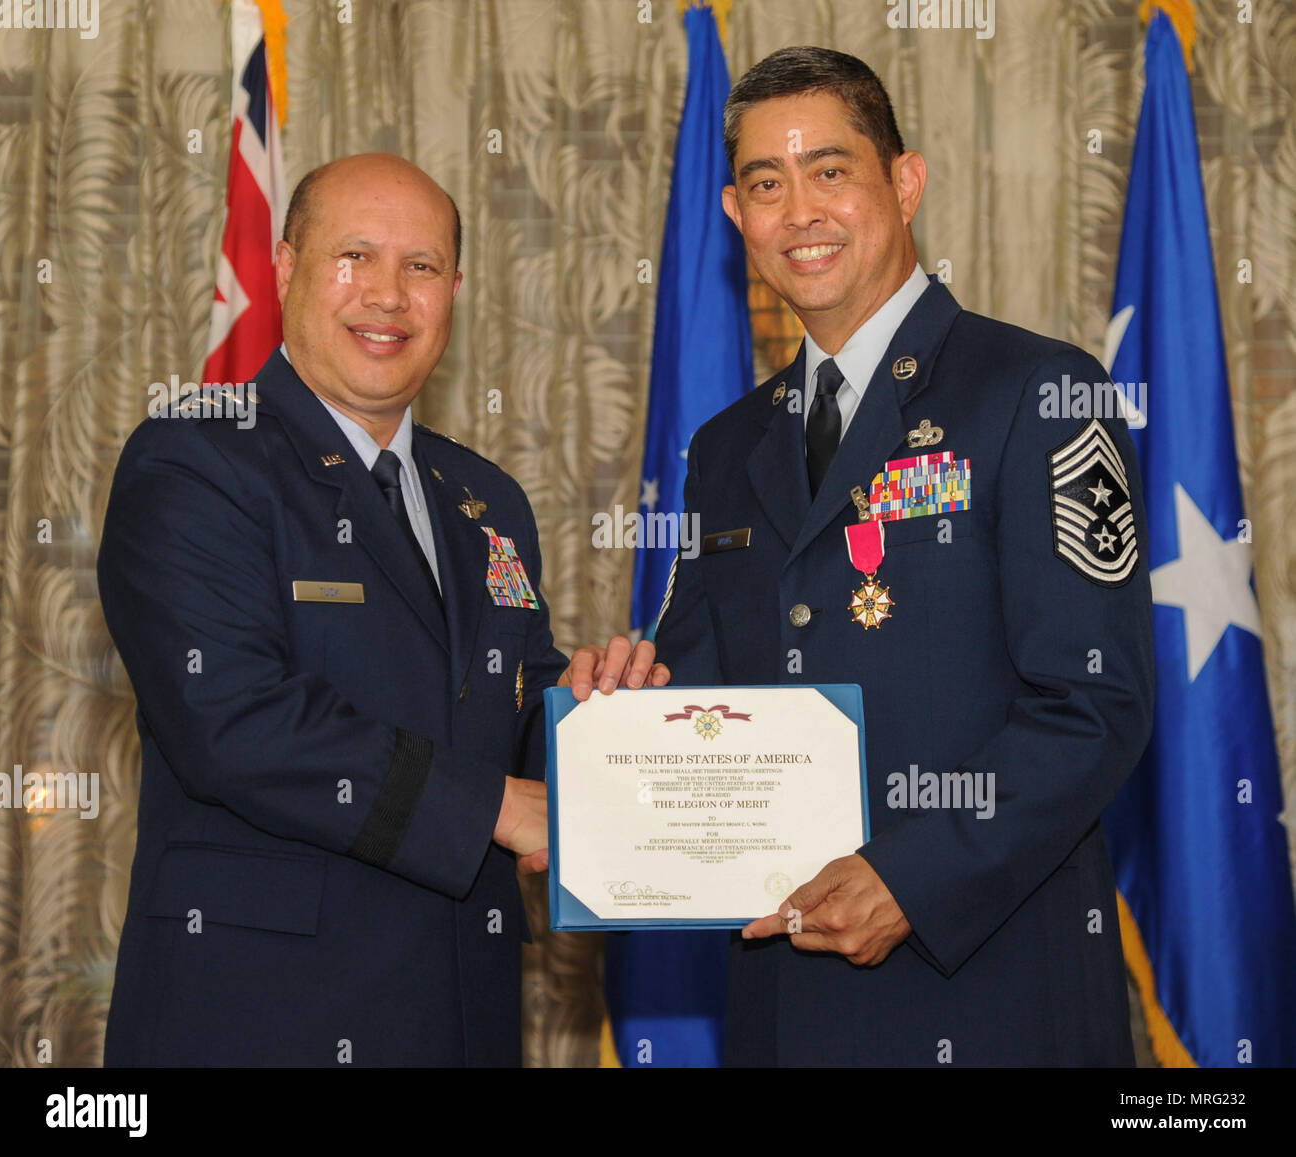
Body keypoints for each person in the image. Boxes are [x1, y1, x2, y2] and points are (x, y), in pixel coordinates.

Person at [98, 153, 661, 1066]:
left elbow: (501, 702)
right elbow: (235, 720)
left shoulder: (486, 499)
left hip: (463, 1013)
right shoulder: (195, 459)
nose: (389, 295)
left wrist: (593, 720)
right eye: (354, 257)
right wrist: (497, 808)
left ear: (456, 289)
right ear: (285, 269)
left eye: (423, 266)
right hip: (261, 1016)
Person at [651, 47, 1155, 1065]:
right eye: (765, 182)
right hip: (786, 996)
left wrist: (912, 878)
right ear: (735, 214)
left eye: (829, 170)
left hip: (989, 988)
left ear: (905, 181)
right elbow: (696, 697)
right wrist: (615, 713)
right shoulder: (725, 446)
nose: (798, 210)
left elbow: (1092, 700)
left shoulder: (1039, 393)